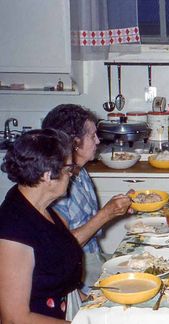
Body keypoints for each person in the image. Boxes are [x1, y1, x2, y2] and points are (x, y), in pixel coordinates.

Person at [42, 104, 132, 295]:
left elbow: (89, 223)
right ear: (74, 143)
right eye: (92, 136)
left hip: (94, 257)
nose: (98, 141)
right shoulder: (52, 186)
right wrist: (106, 213)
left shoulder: (80, 173)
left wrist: (118, 209)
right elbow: (63, 248)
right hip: (79, 272)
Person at [0, 129, 83, 322]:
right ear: (47, 175)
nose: (71, 175)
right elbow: (14, 319)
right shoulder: (13, 230)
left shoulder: (41, 209)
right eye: (69, 169)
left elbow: (57, 278)